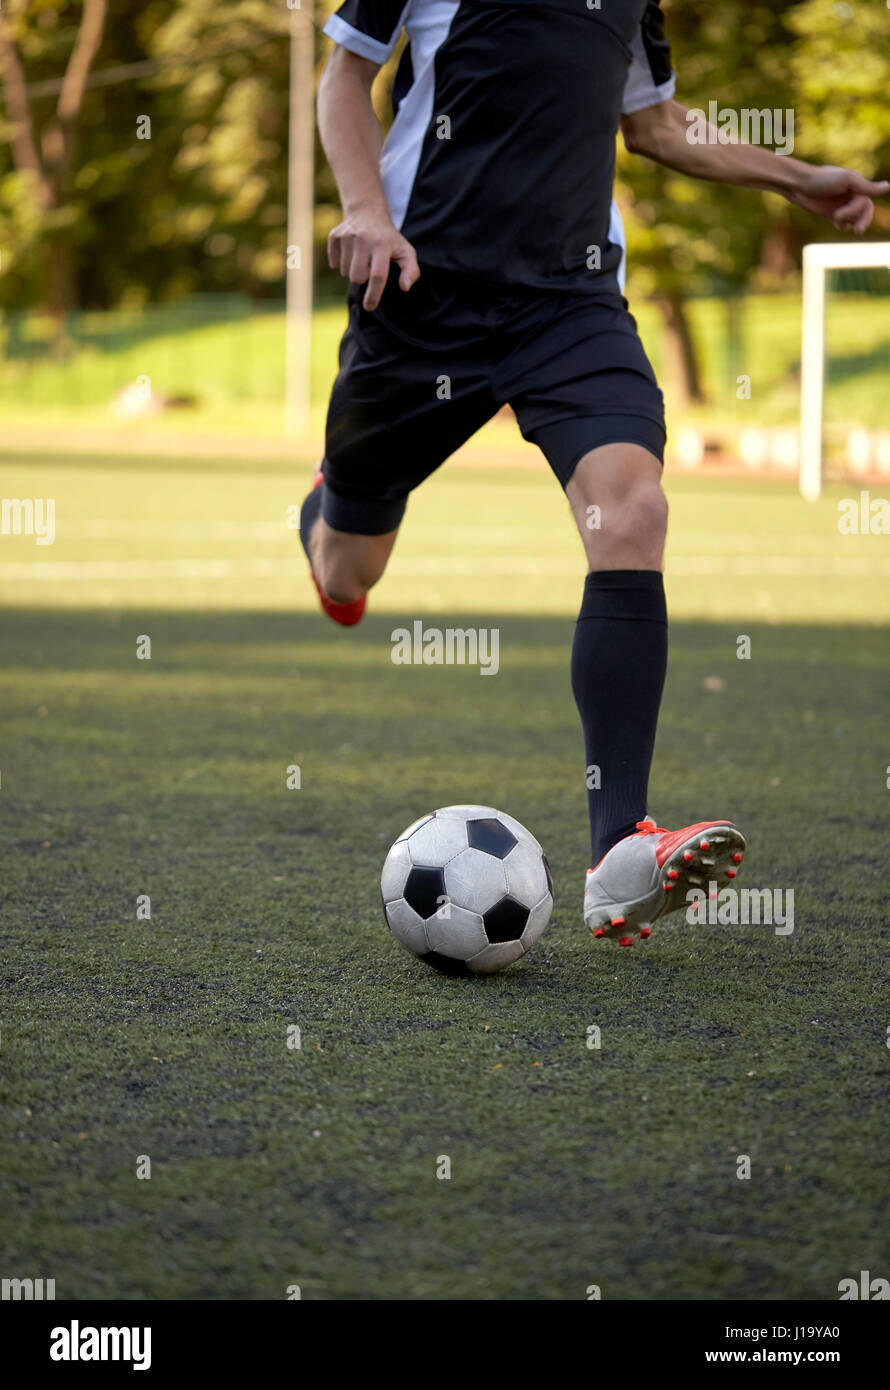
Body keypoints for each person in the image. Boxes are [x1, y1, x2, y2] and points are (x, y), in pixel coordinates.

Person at [299, 0, 887, 944]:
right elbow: (342, 77)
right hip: (418, 289)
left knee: (634, 509)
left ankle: (620, 853)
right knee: (346, 568)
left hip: (568, 304)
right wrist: (365, 212)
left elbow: (652, 124)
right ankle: (336, 498)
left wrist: (792, 179)